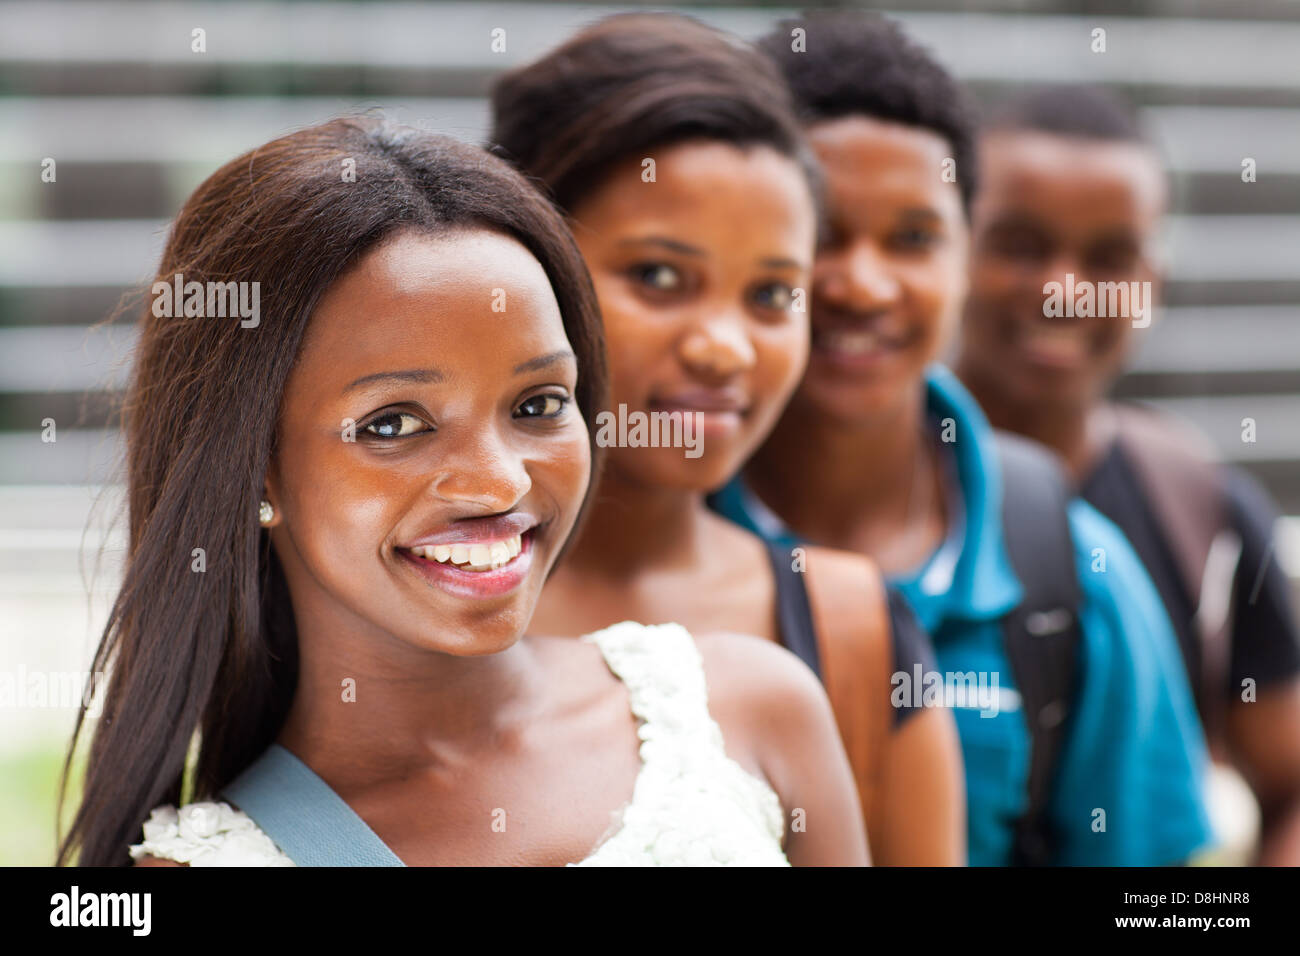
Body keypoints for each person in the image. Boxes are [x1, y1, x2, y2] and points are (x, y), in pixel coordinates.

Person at [55, 116, 868, 868]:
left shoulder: (748, 712)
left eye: (538, 406)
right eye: (394, 423)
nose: (500, 481)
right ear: (255, 468)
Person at [711, 12, 1214, 865]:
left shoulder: (1070, 576)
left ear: (963, 255)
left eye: (913, 238)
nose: (863, 284)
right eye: (821, 231)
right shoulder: (633, 544)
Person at [490, 12, 965, 865]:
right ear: (524, 263)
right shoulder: (388, 597)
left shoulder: (852, 631)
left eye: (773, 294)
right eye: (660, 277)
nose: (727, 348)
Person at [956, 84, 1300, 865]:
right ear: (950, 248)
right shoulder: (851, 484)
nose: (1064, 289)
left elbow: (1289, 787)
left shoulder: (1205, 510)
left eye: (1109, 258)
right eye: (1019, 244)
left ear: (1157, 281)